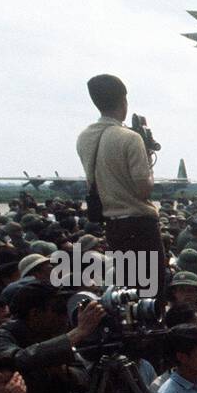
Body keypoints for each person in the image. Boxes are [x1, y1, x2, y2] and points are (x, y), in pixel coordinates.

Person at [75, 75, 161, 293]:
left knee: (130, 291)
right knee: (151, 293)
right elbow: (143, 189)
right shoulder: (130, 138)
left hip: (113, 227)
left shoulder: (84, 137)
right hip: (140, 225)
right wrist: (148, 160)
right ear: (124, 101)